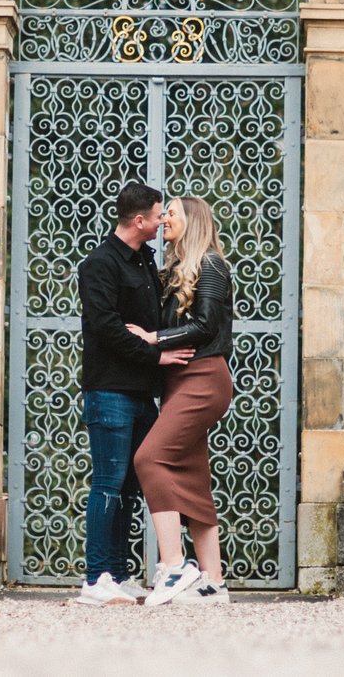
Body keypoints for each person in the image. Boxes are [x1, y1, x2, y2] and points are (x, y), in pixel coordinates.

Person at [72, 181, 192, 607]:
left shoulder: (145, 261)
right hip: (110, 391)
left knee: (130, 487)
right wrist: (156, 356)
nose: (163, 222)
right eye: (159, 216)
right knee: (107, 483)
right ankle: (95, 578)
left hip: (142, 393)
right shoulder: (99, 265)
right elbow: (106, 329)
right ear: (139, 220)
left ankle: (118, 575)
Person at [129, 195, 236, 607]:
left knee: (149, 459)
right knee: (191, 477)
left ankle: (173, 567)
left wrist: (156, 339)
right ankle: (213, 582)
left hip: (203, 377)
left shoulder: (211, 264)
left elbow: (206, 323)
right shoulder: (176, 269)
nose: (164, 219)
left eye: (170, 213)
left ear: (193, 220)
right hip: (181, 381)